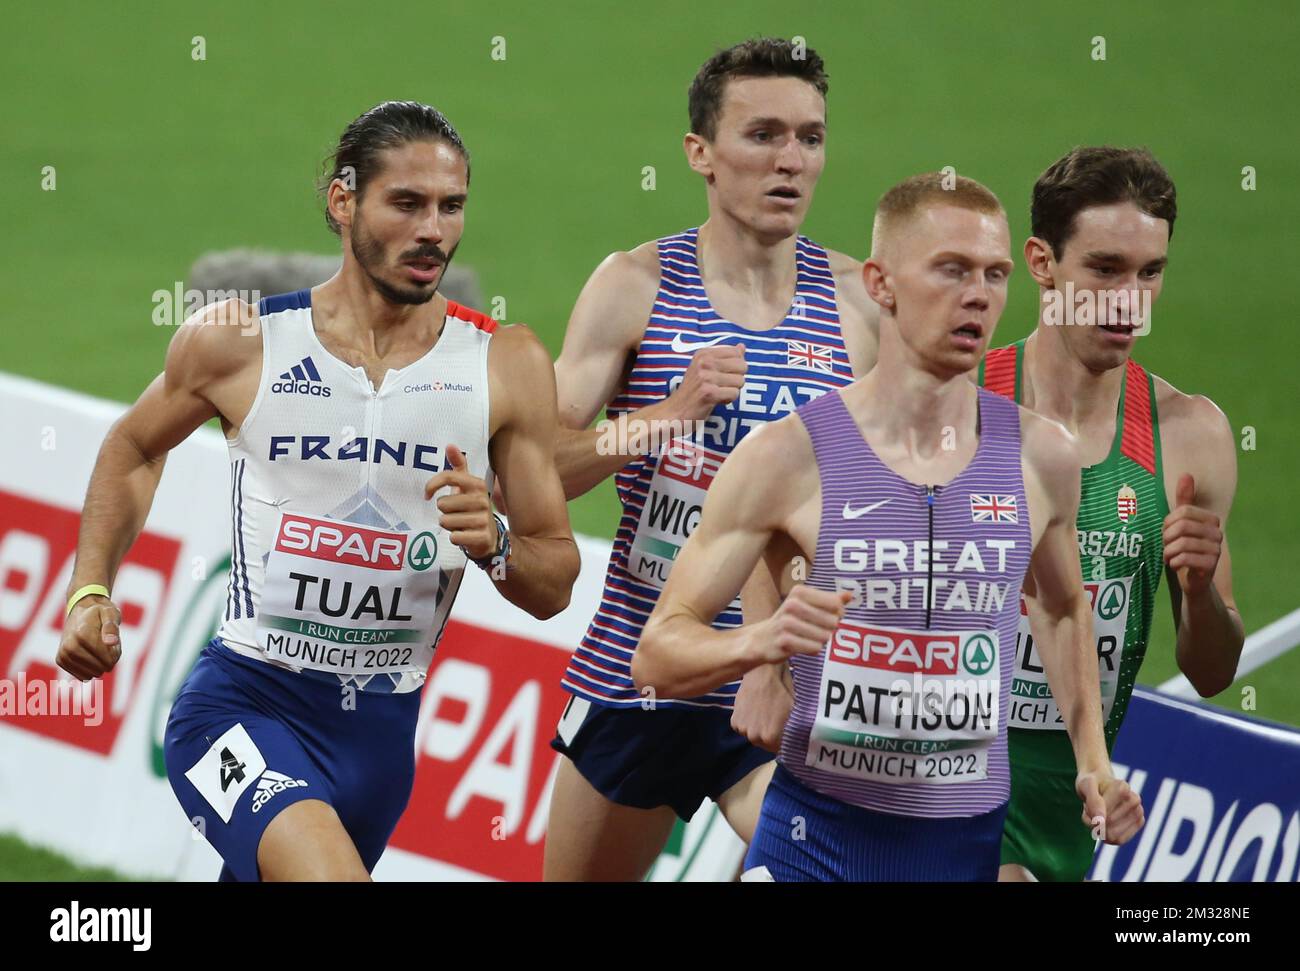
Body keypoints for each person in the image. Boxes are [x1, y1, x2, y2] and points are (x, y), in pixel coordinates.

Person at [56, 100, 580, 881]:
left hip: (378, 741)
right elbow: (133, 445)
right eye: (406, 203)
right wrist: (90, 586)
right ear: (343, 202)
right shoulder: (240, 343)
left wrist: (497, 543)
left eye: (451, 206)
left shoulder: (506, 364)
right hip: (239, 706)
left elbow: (554, 581)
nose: (433, 230)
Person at [634, 172, 1142, 881]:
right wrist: (761, 642)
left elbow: (1059, 607)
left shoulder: (1041, 456)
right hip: (815, 840)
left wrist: (1094, 760)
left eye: (996, 275)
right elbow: (656, 655)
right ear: (880, 282)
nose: (979, 295)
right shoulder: (788, 456)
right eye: (952, 270)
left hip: (963, 849)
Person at [543, 37, 879, 881]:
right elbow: (539, 470)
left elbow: (885, 494)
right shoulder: (634, 285)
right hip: (640, 670)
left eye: (809, 137)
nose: (790, 161)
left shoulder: (859, 309)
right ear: (700, 153)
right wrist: (667, 415)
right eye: (762, 135)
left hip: (779, 686)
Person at [982, 146, 1244, 882]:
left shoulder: (1191, 436)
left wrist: (1196, 592)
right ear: (1042, 262)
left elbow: (1213, 670)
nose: (1130, 300)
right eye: (1104, 269)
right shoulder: (959, 404)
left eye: (1149, 272)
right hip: (936, 782)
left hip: (1075, 809)